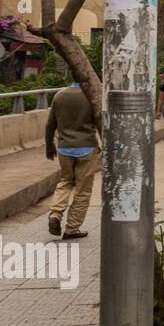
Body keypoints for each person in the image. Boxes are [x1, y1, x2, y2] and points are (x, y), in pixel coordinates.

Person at [45, 83, 99, 240]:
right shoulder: (92, 96)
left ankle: (55, 214)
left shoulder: (59, 95)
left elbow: (50, 125)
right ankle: (72, 229)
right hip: (87, 147)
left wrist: (49, 146)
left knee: (65, 181)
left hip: (64, 148)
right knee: (83, 190)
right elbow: (101, 122)